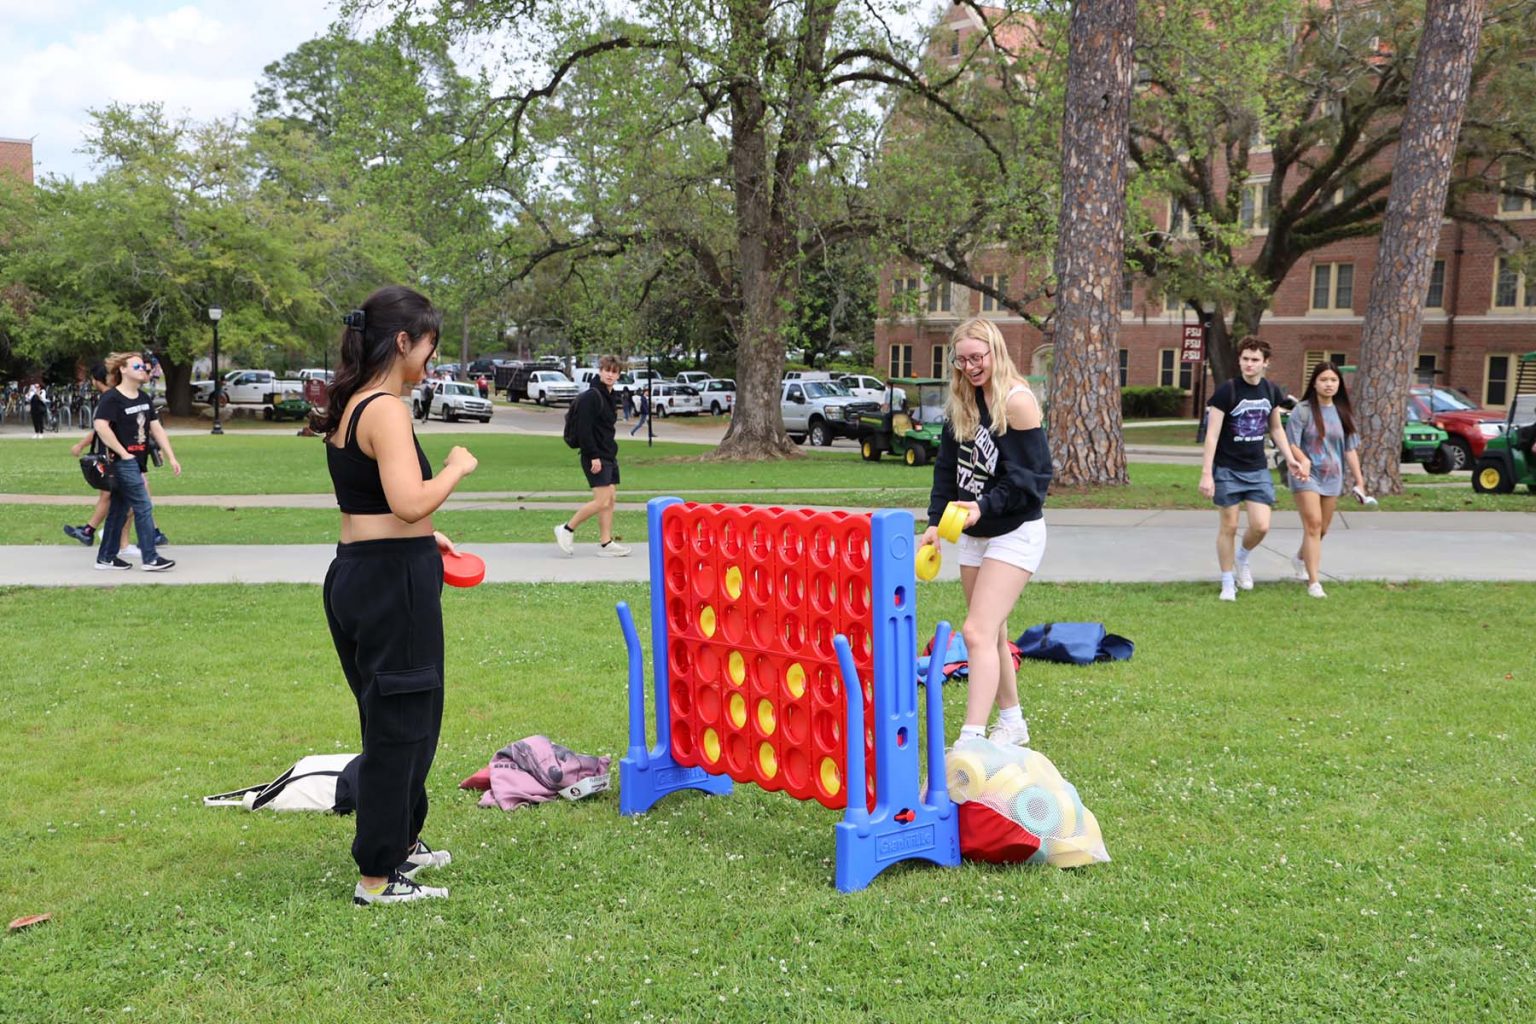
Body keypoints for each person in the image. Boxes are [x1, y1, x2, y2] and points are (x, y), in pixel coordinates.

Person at [320, 285, 478, 906]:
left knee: (396, 715)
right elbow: (408, 498)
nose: (430, 361)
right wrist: (456, 468)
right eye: (429, 347)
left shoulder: (355, 402)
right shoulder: (386, 407)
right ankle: (377, 877)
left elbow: (376, 504)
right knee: (403, 723)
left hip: (364, 567)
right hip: (390, 581)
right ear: (404, 341)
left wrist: (424, 534)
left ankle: (403, 840)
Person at [918, 318, 1051, 747]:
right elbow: (946, 470)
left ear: (995, 351)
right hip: (973, 532)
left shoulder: (1017, 402)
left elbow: (1031, 482)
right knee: (990, 632)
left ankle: (971, 739)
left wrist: (982, 506)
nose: (971, 367)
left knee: (975, 631)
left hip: (1015, 529)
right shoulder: (965, 401)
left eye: (978, 357)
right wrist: (936, 523)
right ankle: (1012, 722)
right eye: (962, 360)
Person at [1198, 336, 1308, 601]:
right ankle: (1227, 582)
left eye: (1255, 360)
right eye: (1245, 359)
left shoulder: (1270, 391)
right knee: (1230, 525)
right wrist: (1206, 473)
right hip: (1227, 468)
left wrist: (1290, 457)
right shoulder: (1227, 391)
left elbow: (1275, 428)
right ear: (1240, 360)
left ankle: (1242, 558)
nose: (1249, 364)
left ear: (1265, 363)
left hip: (1257, 469)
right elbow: (1211, 435)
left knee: (1261, 526)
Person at [92, 353, 180, 571]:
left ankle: (106, 558)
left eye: (145, 367)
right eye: (138, 366)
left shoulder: (143, 398)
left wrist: (171, 456)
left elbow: (156, 428)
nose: (143, 369)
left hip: (137, 461)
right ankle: (150, 558)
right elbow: (100, 426)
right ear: (122, 369)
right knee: (143, 505)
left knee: (119, 510)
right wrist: (123, 453)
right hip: (122, 462)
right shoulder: (112, 398)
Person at [1285, 361, 1366, 599]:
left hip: (1333, 477)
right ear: (1314, 383)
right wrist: (1302, 460)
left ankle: (1300, 557)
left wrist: (1359, 481)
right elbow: (1291, 443)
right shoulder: (1303, 410)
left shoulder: (1343, 413)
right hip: (1306, 475)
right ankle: (1314, 582)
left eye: (1333, 380)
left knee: (1322, 529)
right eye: (1324, 380)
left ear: (1339, 384)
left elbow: (1350, 450)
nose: (1328, 384)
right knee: (1313, 524)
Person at [555, 354, 631, 558]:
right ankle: (566, 529)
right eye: (607, 370)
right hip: (595, 456)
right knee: (601, 500)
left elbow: (604, 428)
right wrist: (593, 456)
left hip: (608, 454)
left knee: (610, 499)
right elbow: (584, 430)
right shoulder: (592, 396)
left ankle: (606, 543)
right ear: (600, 371)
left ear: (618, 375)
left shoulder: (610, 395)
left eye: (614, 372)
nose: (610, 375)